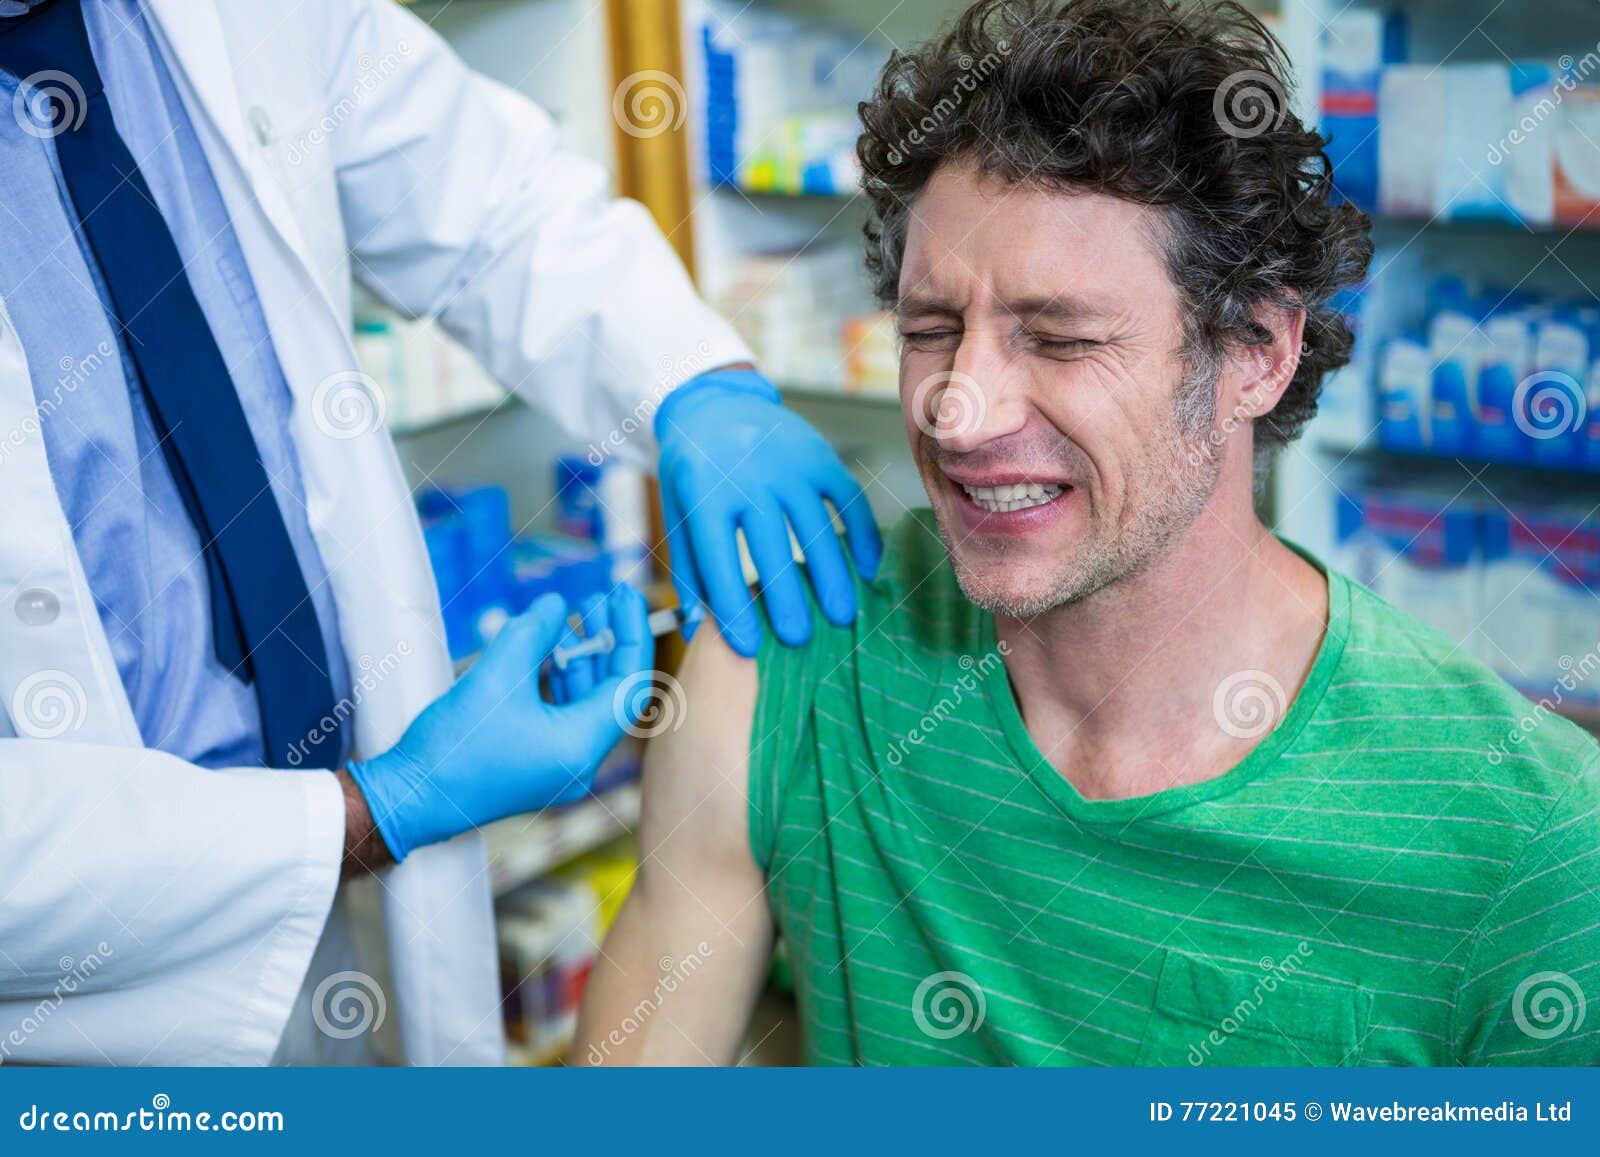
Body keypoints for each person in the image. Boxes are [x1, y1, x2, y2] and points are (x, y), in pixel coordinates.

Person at [575, 0, 1600, 1067]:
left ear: (1254, 350)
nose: (956, 411)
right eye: (931, 331)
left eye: (1059, 337)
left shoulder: (1530, 843)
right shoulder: (793, 651)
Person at [0, 0, 878, 1065]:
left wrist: (693, 381)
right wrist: (383, 806)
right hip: (63, 992)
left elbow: (494, 202)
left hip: (343, 915)